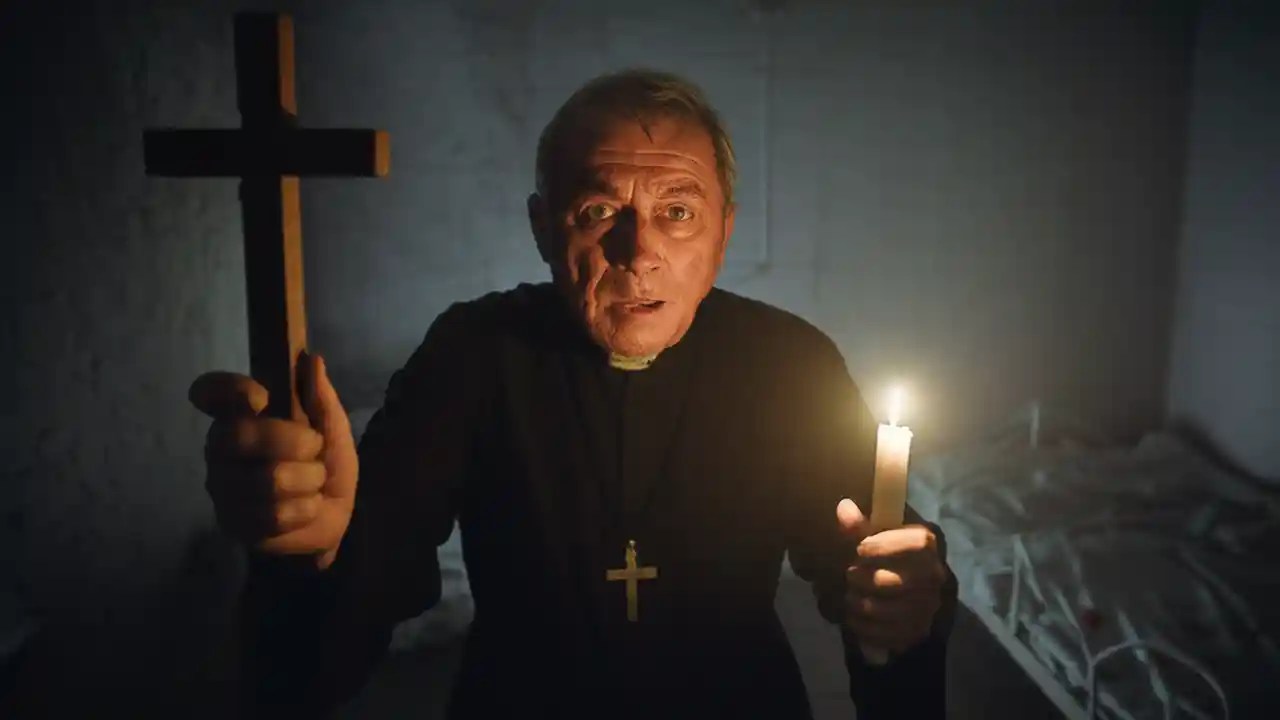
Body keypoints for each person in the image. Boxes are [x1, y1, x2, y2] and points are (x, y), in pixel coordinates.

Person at [191, 68, 957, 719]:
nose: (638, 252)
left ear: (723, 233)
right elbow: (318, 658)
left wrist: (908, 604)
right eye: (598, 213)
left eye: (678, 212)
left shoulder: (789, 363)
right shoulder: (473, 354)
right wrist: (317, 557)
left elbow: (882, 574)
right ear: (540, 228)